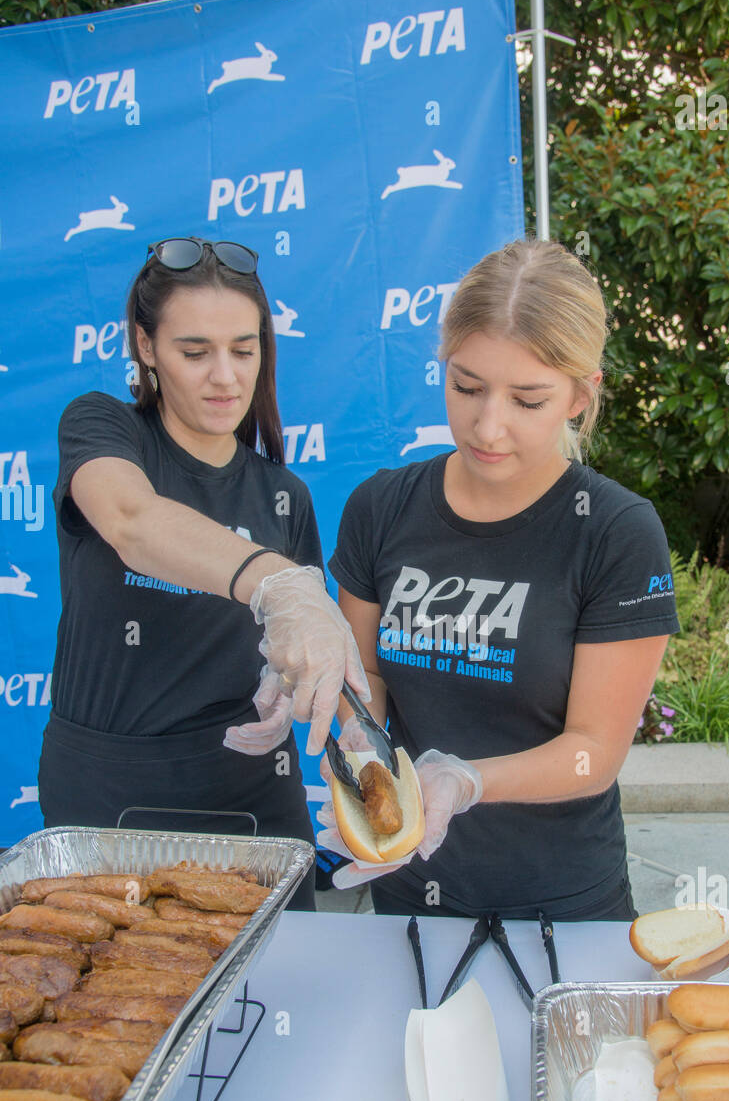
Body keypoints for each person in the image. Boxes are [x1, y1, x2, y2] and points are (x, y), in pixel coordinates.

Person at [318, 239, 680, 920]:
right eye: (466, 387)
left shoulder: (614, 532)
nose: (488, 426)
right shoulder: (381, 507)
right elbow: (364, 678)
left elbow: (593, 753)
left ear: (580, 395)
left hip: (562, 905)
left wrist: (464, 781)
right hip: (408, 888)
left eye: (527, 399)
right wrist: (360, 747)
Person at [39, 237, 367, 909]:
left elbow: (298, 644)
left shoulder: (284, 494)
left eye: (243, 351)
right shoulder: (103, 428)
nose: (225, 377)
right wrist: (275, 580)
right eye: (195, 352)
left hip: (248, 793)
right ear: (145, 345)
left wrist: (290, 677)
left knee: (277, 998)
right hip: (107, 791)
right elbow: (130, 520)